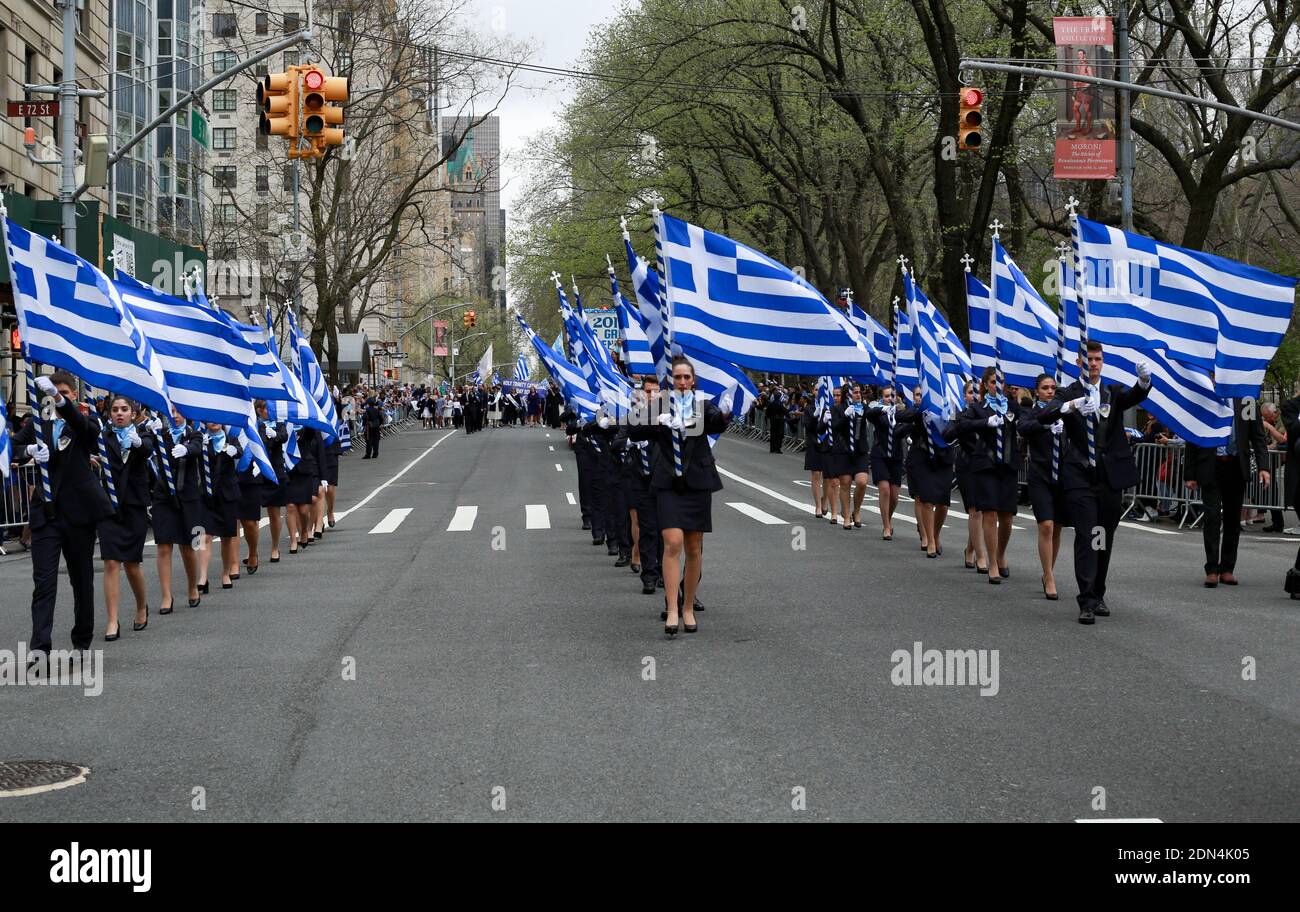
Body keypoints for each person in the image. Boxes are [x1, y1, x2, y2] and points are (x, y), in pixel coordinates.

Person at [1036, 342, 1151, 623]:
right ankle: (1086, 599)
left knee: (1103, 536)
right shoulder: (1068, 393)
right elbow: (1045, 413)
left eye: (1098, 359)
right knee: (1087, 535)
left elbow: (1135, 395)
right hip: (1080, 475)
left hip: (1108, 476)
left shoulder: (1111, 392)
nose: (1094, 364)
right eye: (1089, 359)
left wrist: (1145, 380)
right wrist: (1073, 405)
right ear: (1079, 362)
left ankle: (1098, 593)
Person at [10, 371, 115, 662]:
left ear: (74, 396)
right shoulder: (38, 424)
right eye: (52, 393)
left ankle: (82, 642)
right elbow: (10, 449)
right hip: (46, 514)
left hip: (79, 514)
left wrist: (59, 400)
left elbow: (90, 434)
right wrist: (28, 449)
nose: (57, 398)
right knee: (44, 582)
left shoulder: (84, 421)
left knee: (81, 580)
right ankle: (39, 649)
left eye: (64, 393)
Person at [628, 355, 728, 636]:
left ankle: (687, 608)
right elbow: (634, 431)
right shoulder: (660, 405)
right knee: (672, 542)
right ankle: (672, 608)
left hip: (697, 482)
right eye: (677, 378)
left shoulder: (702, 404)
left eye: (686, 377)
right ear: (670, 380)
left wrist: (725, 413)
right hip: (668, 482)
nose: (682, 382)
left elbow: (716, 423)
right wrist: (658, 420)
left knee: (694, 548)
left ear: (693, 380)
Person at [1185, 398, 1270, 587]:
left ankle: (1227, 569)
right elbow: (1193, 435)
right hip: (1211, 465)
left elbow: (1257, 436)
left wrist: (1264, 467)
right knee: (1212, 516)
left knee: (1233, 519)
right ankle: (1212, 569)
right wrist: (1189, 474)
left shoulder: (1247, 401)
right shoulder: (1205, 397)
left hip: (1236, 466)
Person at [948, 367, 1020, 584]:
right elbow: (962, 425)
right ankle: (992, 563)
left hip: (1007, 465)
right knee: (990, 513)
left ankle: (1000, 553)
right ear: (986, 385)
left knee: (1007, 516)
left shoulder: (1012, 406)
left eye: (1001, 382)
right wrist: (985, 423)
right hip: (985, 465)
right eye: (992, 382)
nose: (997, 386)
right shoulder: (979, 408)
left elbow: (1027, 422)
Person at [97, 395, 156, 639]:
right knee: (111, 562)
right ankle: (112, 620)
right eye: (115, 410)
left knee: (132, 564)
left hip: (134, 506)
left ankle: (142, 605)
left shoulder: (143, 435)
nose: (119, 413)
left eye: (124, 410)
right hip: (109, 506)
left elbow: (148, 450)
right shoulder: (103, 437)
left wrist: (138, 444)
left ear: (133, 413)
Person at [149, 406, 204, 614]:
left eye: (179, 411)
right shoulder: (160, 434)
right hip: (163, 497)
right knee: (163, 546)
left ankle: (192, 586)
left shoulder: (193, 433)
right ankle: (166, 595)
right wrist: (146, 432)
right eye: (171, 411)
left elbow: (198, 447)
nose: (175, 415)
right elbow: (145, 448)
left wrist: (187, 449)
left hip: (188, 497)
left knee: (188, 546)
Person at [1019, 374, 1069, 600]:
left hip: (1062, 474)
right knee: (1046, 525)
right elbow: (1024, 427)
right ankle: (1049, 576)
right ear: (1037, 391)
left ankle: (1049, 569)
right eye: (1045, 388)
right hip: (1040, 475)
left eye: (1052, 388)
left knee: (1057, 526)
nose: (1050, 391)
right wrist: (1046, 424)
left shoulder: (1064, 411)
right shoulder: (1032, 412)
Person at [900, 394, 955, 559]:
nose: (919, 397)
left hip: (943, 457)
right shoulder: (918, 410)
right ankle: (929, 539)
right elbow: (900, 416)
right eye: (917, 395)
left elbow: (955, 427)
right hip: (923, 457)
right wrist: (921, 411)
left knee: (943, 503)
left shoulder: (948, 403)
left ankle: (936, 534)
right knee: (927, 499)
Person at [625, 376, 662, 595]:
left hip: (663, 479)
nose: (652, 395)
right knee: (647, 528)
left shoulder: (669, 415)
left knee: (665, 530)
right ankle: (649, 574)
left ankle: (663, 571)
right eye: (648, 391)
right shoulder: (637, 415)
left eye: (656, 391)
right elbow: (633, 430)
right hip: (640, 478)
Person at [199, 422, 242, 590]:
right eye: (210, 419)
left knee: (226, 537)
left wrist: (233, 451)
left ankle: (225, 572)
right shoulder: (200, 439)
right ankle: (202, 577)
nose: (214, 422)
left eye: (217, 418)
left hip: (227, 495)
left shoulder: (231, 439)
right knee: (203, 536)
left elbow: (240, 451)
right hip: (206, 495)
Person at [865, 386, 911, 540]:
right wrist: (882, 409)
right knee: (884, 489)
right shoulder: (879, 412)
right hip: (880, 455)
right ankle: (886, 526)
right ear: (881, 398)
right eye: (886, 396)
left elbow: (906, 425)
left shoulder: (900, 413)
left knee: (895, 496)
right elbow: (869, 414)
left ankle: (888, 518)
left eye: (892, 395)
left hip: (896, 456)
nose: (889, 398)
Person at [953, 379, 986, 573]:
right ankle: (981, 557)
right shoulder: (962, 415)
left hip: (984, 465)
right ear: (964, 396)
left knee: (981, 512)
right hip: (967, 465)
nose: (974, 395)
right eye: (970, 392)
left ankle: (971, 550)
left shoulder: (987, 412)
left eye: (977, 392)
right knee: (975, 510)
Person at [286, 425, 322, 554]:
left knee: (303, 509)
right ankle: (293, 541)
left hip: (304, 471)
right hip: (288, 470)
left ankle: (304, 531)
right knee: (290, 506)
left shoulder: (306, 428)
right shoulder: (285, 425)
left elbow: (312, 432)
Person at [798, 393, 827, 517]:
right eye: (815, 389)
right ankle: (818, 506)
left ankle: (824, 500)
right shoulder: (809, 408)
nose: (818, 391)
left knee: (828, 476)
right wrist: (815, 417)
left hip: (827, 443)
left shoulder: (829, 406)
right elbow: (808, 426)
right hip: (814, 443)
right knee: (816, 474)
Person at [761, 384, 787, 453]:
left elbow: (767, 413)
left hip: (773, 420)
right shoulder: (781, 404)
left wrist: (771, 417)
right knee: (779, 434)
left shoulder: (771, 404)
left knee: (773, 434)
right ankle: (778, 448)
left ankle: (772, 448)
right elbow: (784, 412)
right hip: (780, 420)